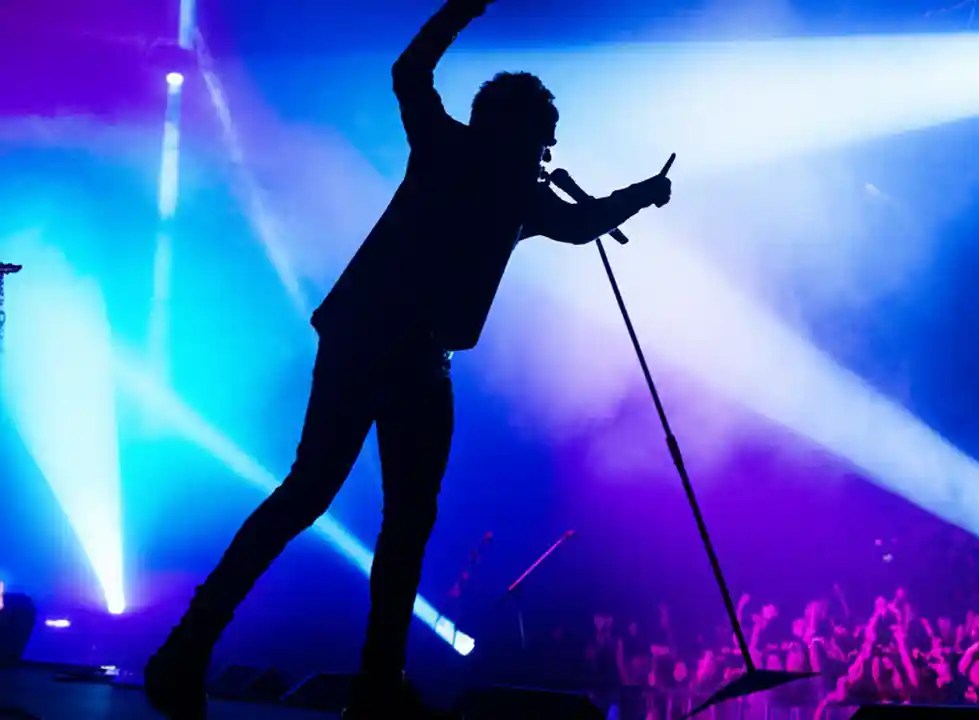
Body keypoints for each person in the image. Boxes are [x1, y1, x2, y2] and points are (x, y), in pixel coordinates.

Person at [143, 0, 675, 717]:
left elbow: (576, 221)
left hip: (403, 354)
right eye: (545, 134)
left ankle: (328, 674)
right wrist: (640, 194)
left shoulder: (480, 167)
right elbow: (415, 75)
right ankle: (233, 657)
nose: (550, 149)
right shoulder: (467, 158)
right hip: (377, 345)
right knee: (348, 506)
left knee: (350, 507)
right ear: (517, 128)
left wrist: (637, 196)